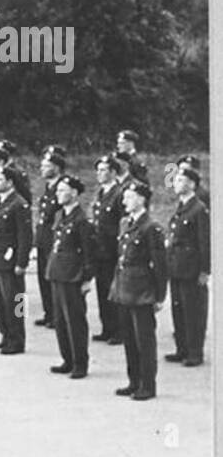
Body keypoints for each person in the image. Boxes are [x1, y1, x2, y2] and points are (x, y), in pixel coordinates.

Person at [111, 181, 168, 400]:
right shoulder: (125, 222)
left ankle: (148, 385)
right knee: (129, 339)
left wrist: (160, 295)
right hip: (125, 288)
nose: (125, 201)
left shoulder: (150, 227)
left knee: (144, 340)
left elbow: (160, 264)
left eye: (129, 197)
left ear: (141, 199)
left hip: (142, 290)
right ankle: (134, 381)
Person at [45, 175, 97, 379]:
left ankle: (79, 362)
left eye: (62, 190)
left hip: (73, 275)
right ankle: (67, 358)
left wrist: (87, 278)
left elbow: (89, 252)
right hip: (58, 272)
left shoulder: (81, 220)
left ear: (74, 193)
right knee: (60, 320)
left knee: (74, 321)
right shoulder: (60, 215)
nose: (58, 194)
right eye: (57, 190)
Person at [0, 169, 33, 355]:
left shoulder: (19, 204)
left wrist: (22, 262)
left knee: (16, 301)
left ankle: (18, 339)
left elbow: (25, 236)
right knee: (0, 302)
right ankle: (5, 335)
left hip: (10, 262)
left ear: (10, 182)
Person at [165, 166, 210, 368]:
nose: (176, 183)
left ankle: (194, 352)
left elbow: (204, 242)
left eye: (181, 180)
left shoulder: (199, 209)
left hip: (191, 268)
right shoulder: (182, 206)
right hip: (177, 267)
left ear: (192, 184)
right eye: (175, 180)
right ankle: (181, 348)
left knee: (193, 311)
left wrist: (205, 270)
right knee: (178, 309)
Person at [90, 155, 129, 343]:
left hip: (112, 249)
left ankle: (119, 330)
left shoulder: (119, 193)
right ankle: (107, 327)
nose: (99, 174)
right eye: (98, 170)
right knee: (102, 291)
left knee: (114, 291)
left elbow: (124, 223)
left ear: (113, 172)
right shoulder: (100, 193)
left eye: (103, 170)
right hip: (100, 250)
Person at [34, 147, 65, 329]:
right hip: (43, 239)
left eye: (46, 166)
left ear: (56, 168)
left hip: (53, 239)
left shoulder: (62, 187)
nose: (42, 169)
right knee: (43, 279)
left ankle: (56, 315)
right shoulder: (48, 187)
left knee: (52, 279)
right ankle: (49, 313)